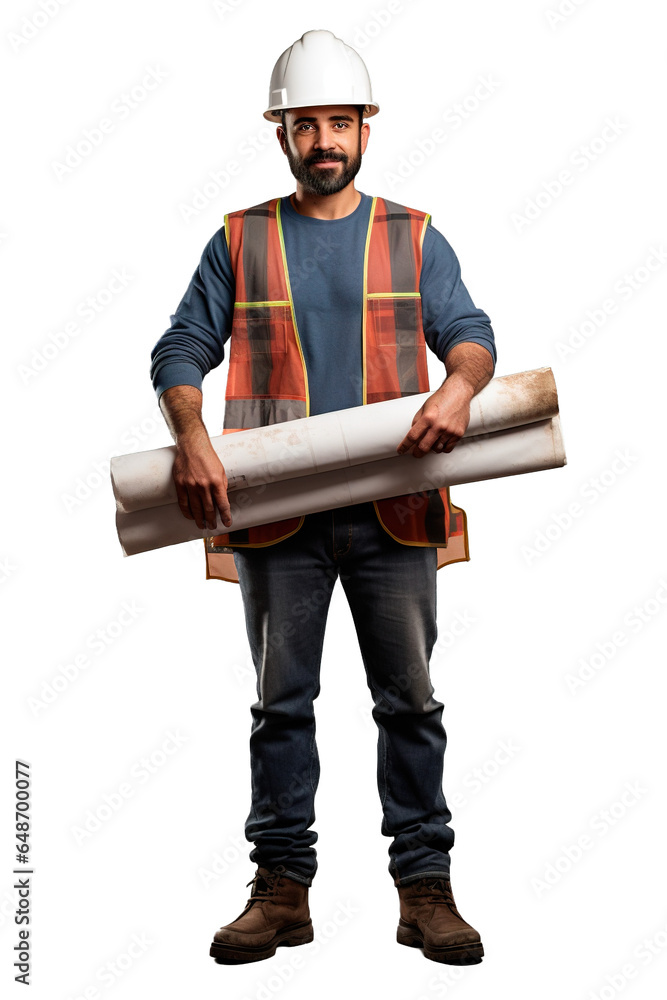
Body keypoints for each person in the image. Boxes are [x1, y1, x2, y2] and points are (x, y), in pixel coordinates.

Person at [150, 29, 496, 966]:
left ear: (364, 130)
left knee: (410, 703)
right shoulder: (240, 239)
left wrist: (459, 388)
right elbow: (181, 347)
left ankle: (424, 888)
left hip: (397, 509)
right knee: (281, 707)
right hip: (276, 516)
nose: (323, 141)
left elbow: (469, 333)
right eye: (305, 125)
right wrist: (191, 436)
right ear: (282, 135)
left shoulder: (412, 236)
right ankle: (281, 891)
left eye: (338, 123)